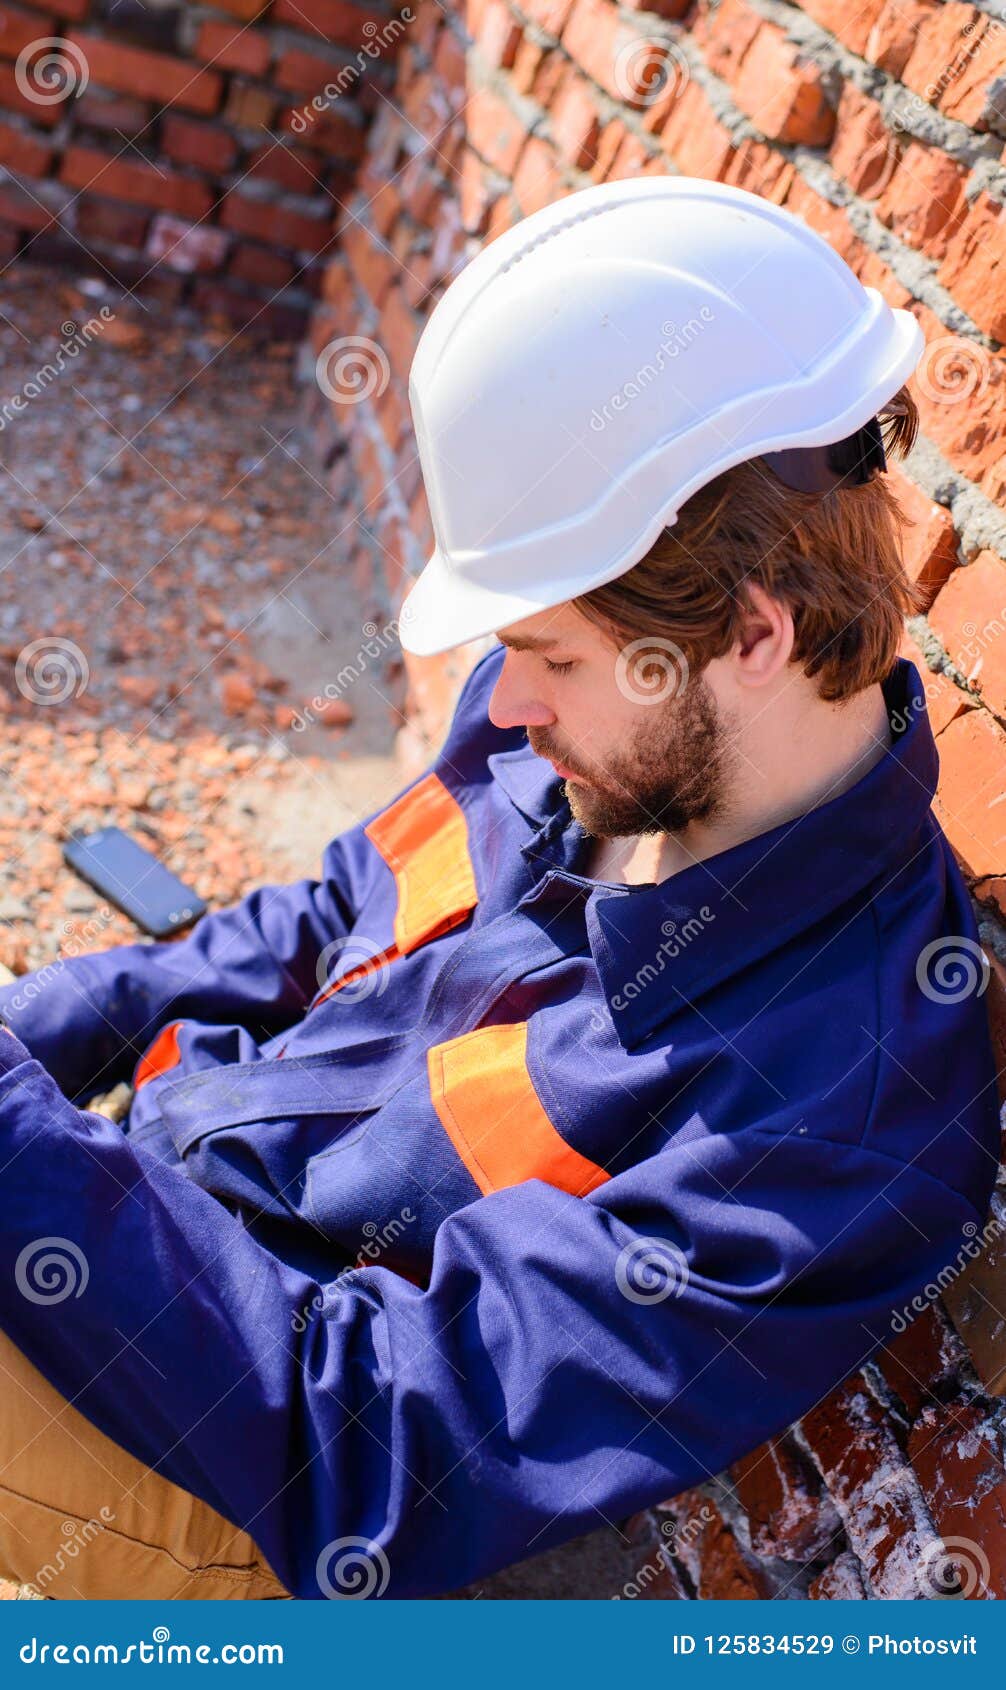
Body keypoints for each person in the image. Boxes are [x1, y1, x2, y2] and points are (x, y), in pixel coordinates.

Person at [0, 177, 997, 1601]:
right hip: (144, 1217)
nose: (501, 696)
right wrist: (35, 1044)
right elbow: (314, 923)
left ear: (751, 635)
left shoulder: (842, 1103)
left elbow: (369, 1456)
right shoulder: (579, 737)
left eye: (551, 654)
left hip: (231, 1466)